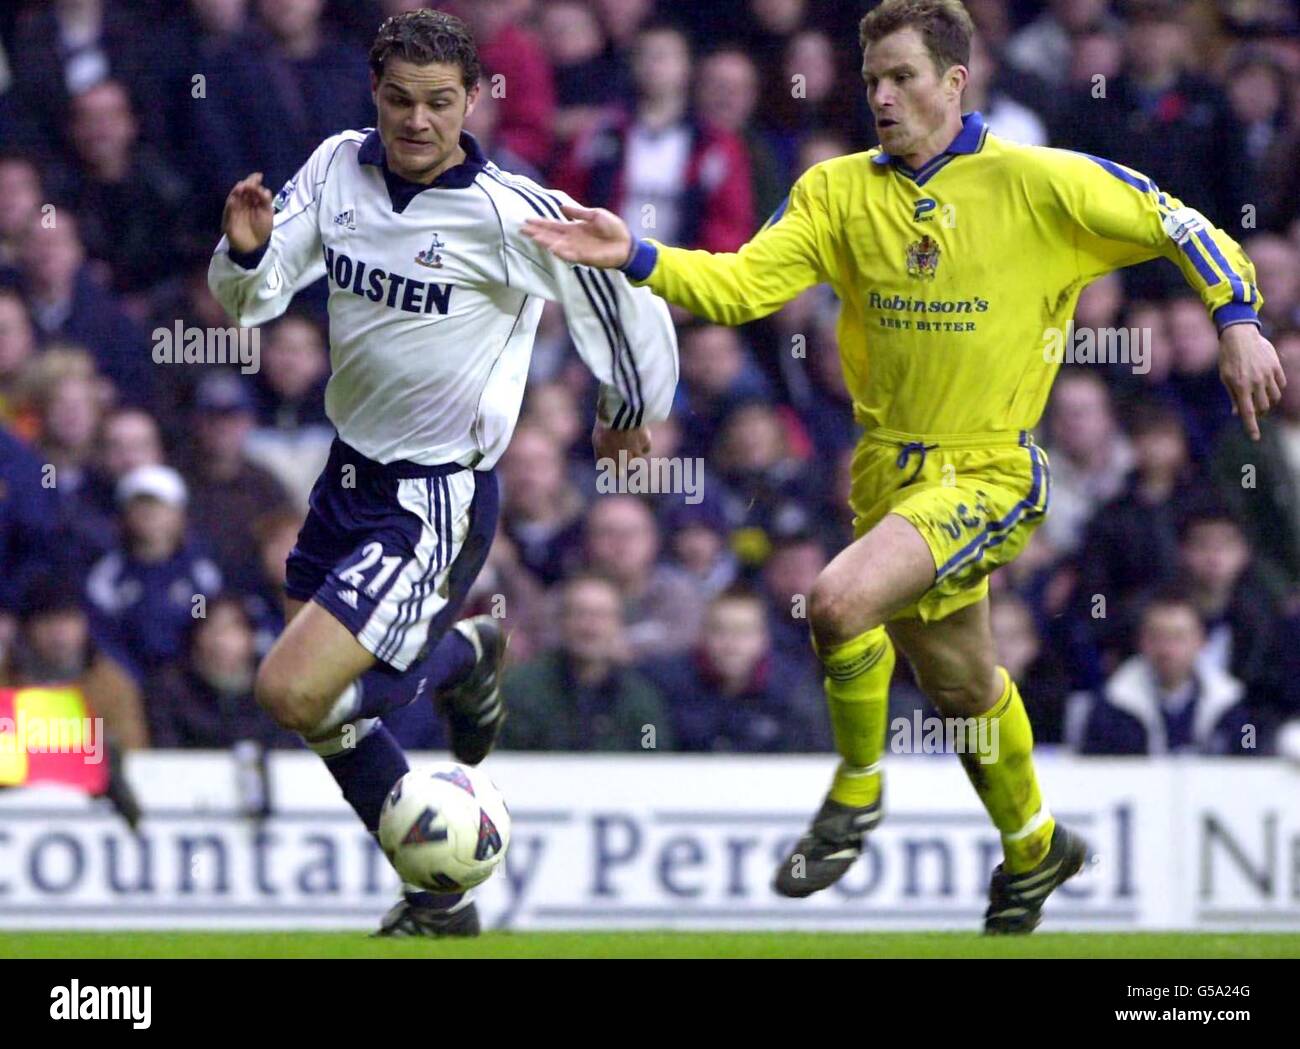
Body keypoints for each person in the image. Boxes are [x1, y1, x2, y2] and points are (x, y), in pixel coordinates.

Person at [522, 0, 1285, 934]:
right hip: (886, 478)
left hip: (990, 470)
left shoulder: (1041, 181)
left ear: (955, 81)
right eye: (871, 78)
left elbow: (1182, 222)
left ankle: (856, 792)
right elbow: (740, 285)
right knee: (964, 690)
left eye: (901, 78)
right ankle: (1036, 844)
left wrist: (1237, 317)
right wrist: (632, 252)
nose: (879, 95)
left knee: (837, 604)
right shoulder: (836, 191)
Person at [207, 9, 677, 938]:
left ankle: (465, 651)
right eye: (398, 100)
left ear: (472, 101)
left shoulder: (510, 210)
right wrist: (248, 251)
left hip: (434, 497)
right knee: (328, 712)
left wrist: (627, 412)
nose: (416, 120)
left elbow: (623, 301)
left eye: (438, 102)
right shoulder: (339, 166)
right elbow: (253, 301)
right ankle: (438, 897)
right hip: (347, 477)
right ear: (374, 96)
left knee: (291, 691)